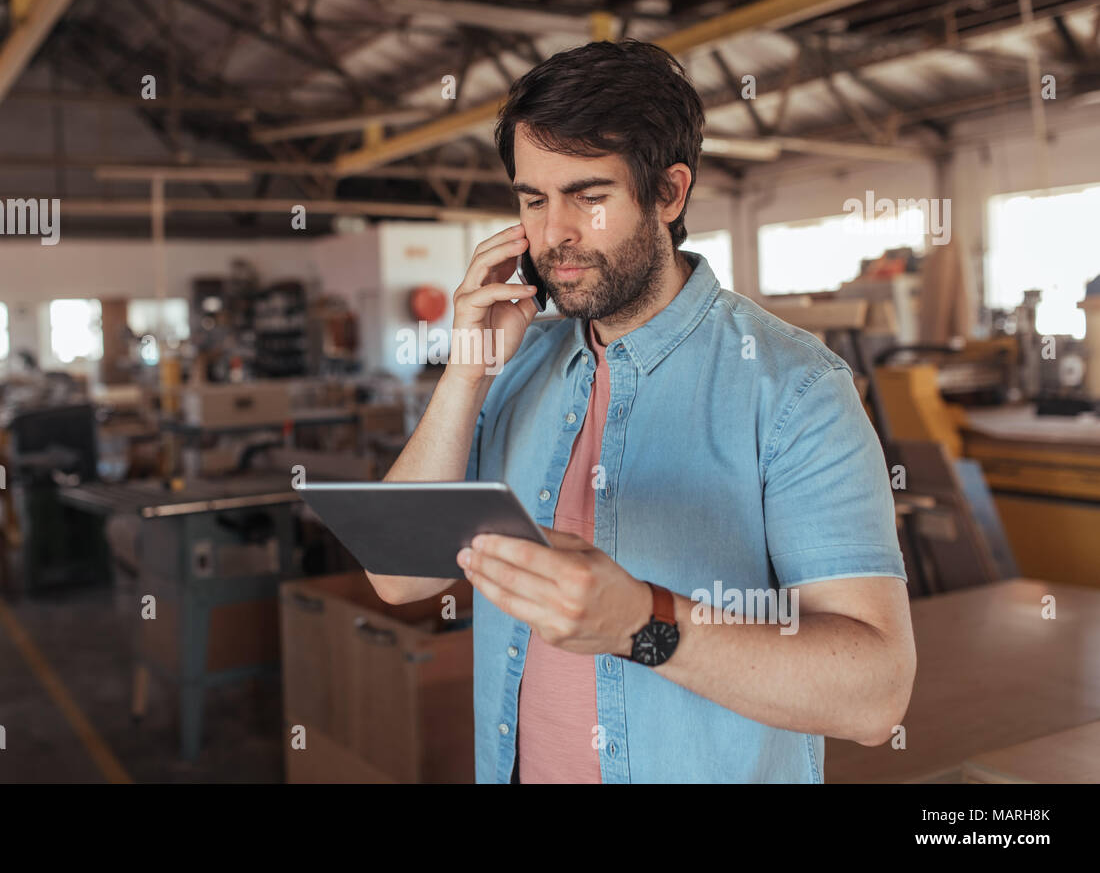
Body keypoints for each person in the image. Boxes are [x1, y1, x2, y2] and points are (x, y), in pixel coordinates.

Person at [367, 39, 915, 783]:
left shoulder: (794, 388)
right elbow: (400, 578)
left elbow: (876, 694)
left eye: (589, 196)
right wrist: (468, 374)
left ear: (668, 192)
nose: (553, 231)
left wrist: (643, 624)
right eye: (533, 199)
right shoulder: (516, 364)